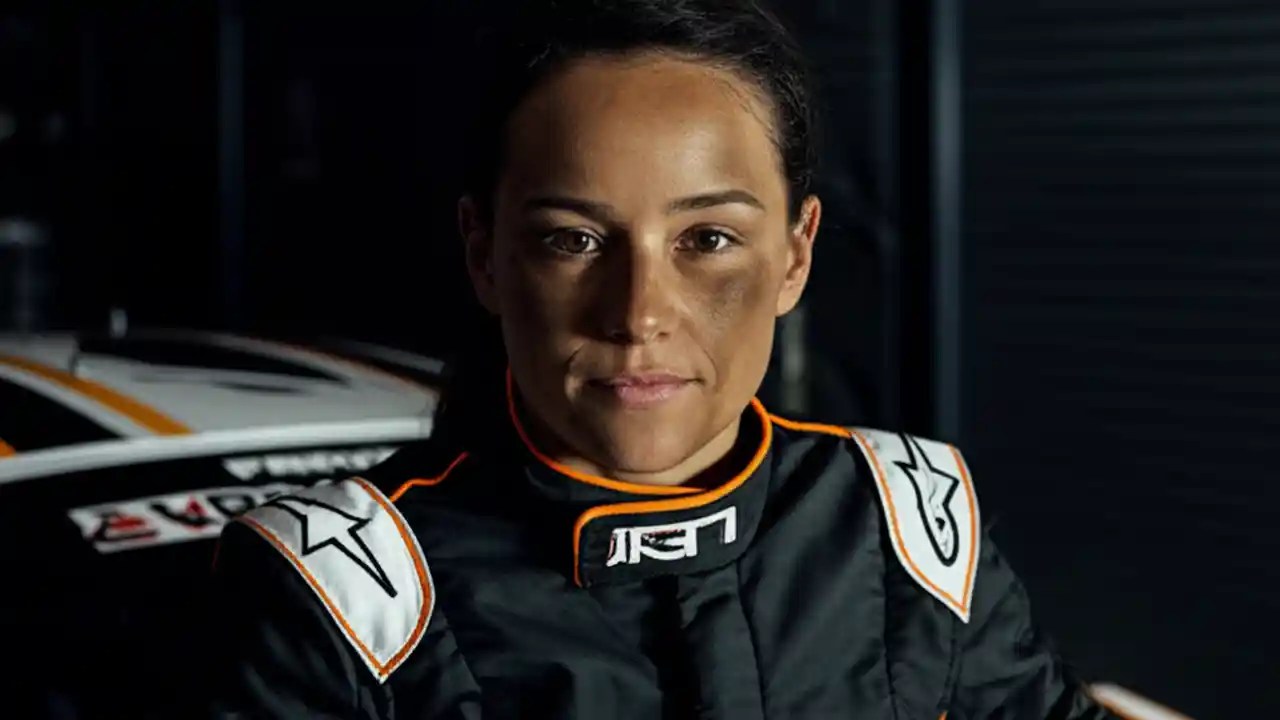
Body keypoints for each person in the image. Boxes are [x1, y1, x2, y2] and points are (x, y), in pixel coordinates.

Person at [203, 0, 1118, 717]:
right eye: (574, 242)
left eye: (709, 238)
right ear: (484, 254)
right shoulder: (340, 595)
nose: (639, 315)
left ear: (795, 255)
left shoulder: (914, 525)